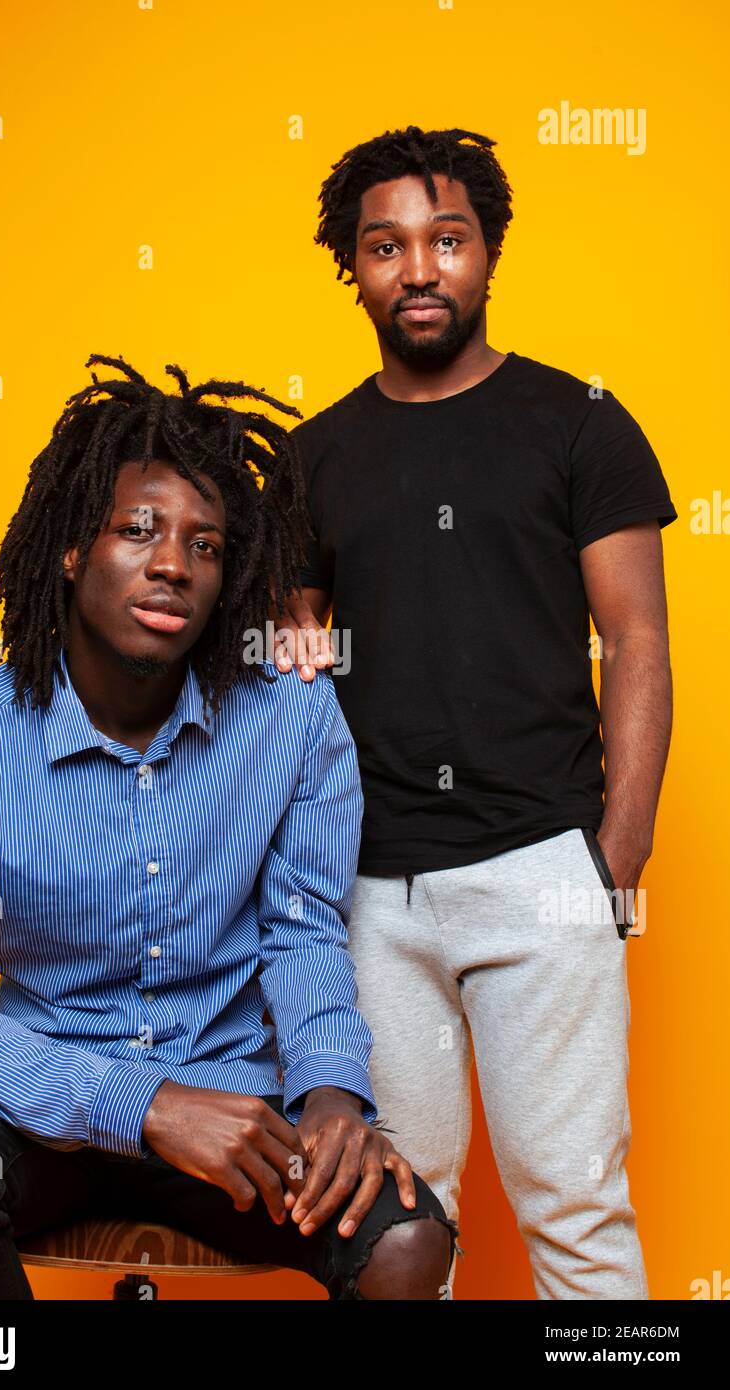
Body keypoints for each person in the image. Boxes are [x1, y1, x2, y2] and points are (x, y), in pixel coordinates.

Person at [0, 353, 459, 1301]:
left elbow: (303, 931)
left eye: (207, 546)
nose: (174, 564)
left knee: (402, 1241)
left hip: (235, 1115)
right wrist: (143, 1105)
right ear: (70, 548)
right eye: (137, 530)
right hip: (34, 1118)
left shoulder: (294, 720)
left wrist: (333, 1097)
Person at [272, 126, 676, 1300]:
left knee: (574, 1201)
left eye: (445, 240)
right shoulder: (310, 457)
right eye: (385, 245)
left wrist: (615, 856)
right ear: (351, 267)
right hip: (368, 892)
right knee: (401, 1217)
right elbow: (294, 666)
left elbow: (637, 643)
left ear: (487, 251)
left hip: (542, 866)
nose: (418, 269)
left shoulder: (579, 424)